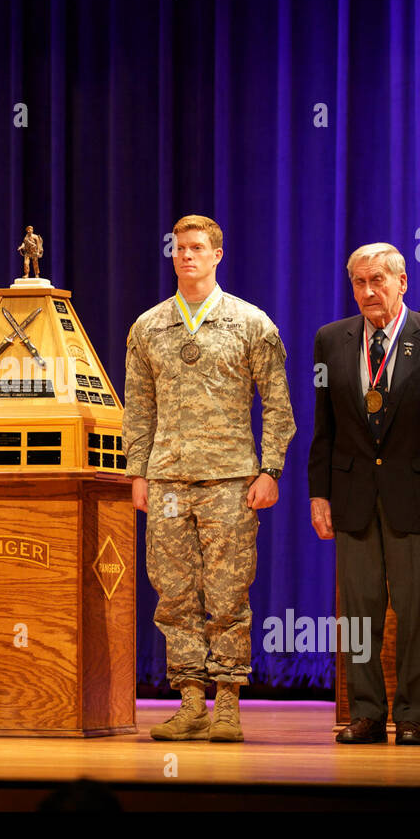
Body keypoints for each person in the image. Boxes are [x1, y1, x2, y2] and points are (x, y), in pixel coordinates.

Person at [123, 214, 295, 742]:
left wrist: (270, 469)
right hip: (169, 480)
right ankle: (191, 701)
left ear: (218, 255)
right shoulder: (149, 327)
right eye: (178, 248)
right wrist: (138, 472)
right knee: (173, 596)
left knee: (227, 595)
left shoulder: (251, 324)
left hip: (229, 481)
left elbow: (278, 405)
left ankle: (227, 703)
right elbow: (138, 408)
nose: (186, 256)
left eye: (197, 247)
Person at [308, 243, 420, 745]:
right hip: (353, 496)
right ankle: (366, 713)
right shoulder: (331, 340)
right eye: (359, 282)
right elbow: (325, 426)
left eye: (378, 280)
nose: (368, 291)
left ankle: (410, 716)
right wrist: (319, 495)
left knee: (415, 611)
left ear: (403, 282)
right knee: (358, 616)